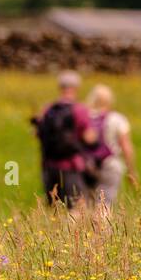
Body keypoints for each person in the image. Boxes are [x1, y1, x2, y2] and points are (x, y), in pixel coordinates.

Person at [31, 70, 95, 209]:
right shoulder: (80, 109)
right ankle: (74, 232)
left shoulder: (48, 109)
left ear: (60, 87)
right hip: (72, 165)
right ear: (76, 88)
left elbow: (36, 133)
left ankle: (55, 231)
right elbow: (89, 137)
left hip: (48, 165)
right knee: (77, 208)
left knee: (54, 208)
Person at [86, 84, 138, 207]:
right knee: (105, 203)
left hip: (87, 165)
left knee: (85, 204)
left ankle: (83, 226)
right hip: (110, 165)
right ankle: (103, 225)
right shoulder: (117, 119)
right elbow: (126, 146)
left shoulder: (84, 117)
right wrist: (131, 171)